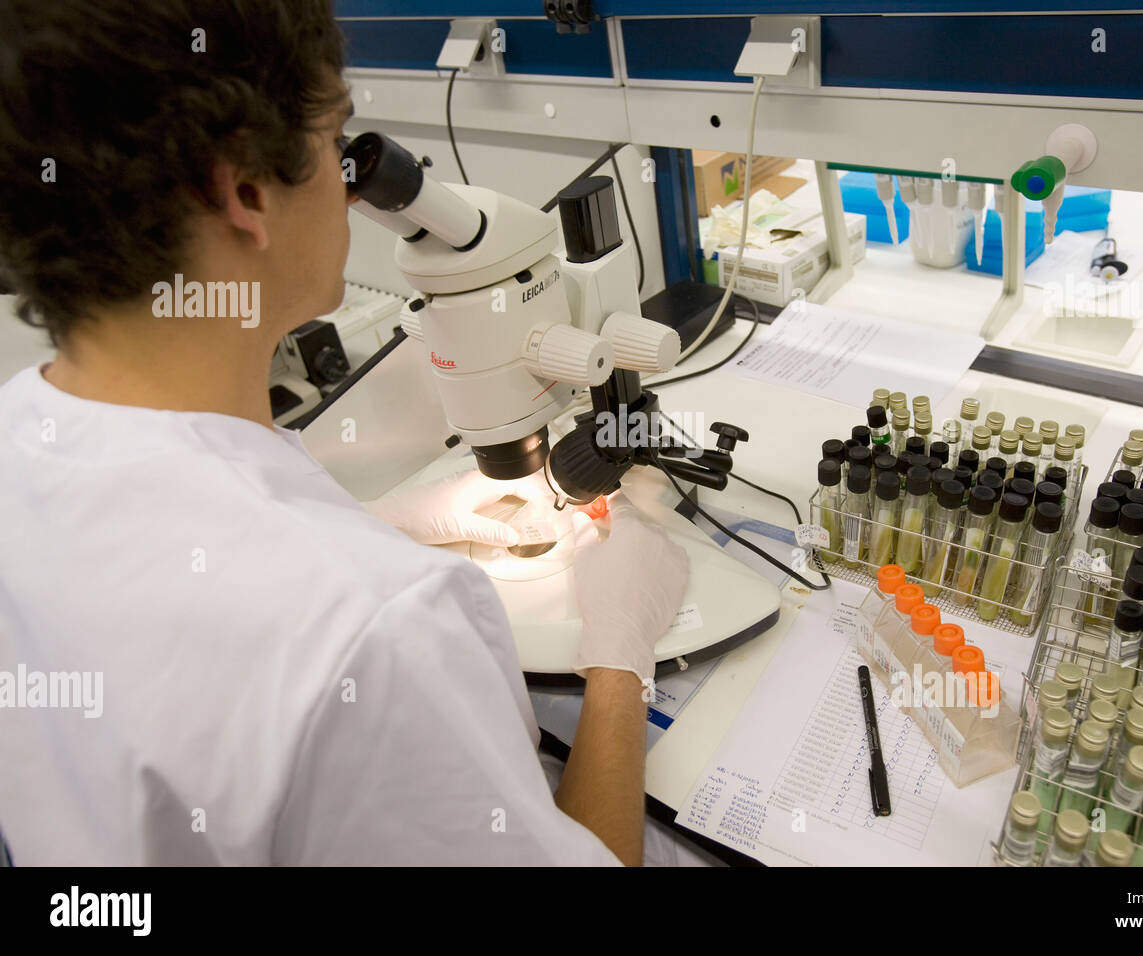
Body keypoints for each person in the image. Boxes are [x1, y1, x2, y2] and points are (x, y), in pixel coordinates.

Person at [0, 0, 688, 866]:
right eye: (338, 141)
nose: (349, 184)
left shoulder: (19, 438)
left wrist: (373, 525)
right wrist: (621, 661)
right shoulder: (381, 633)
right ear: (247, 193)